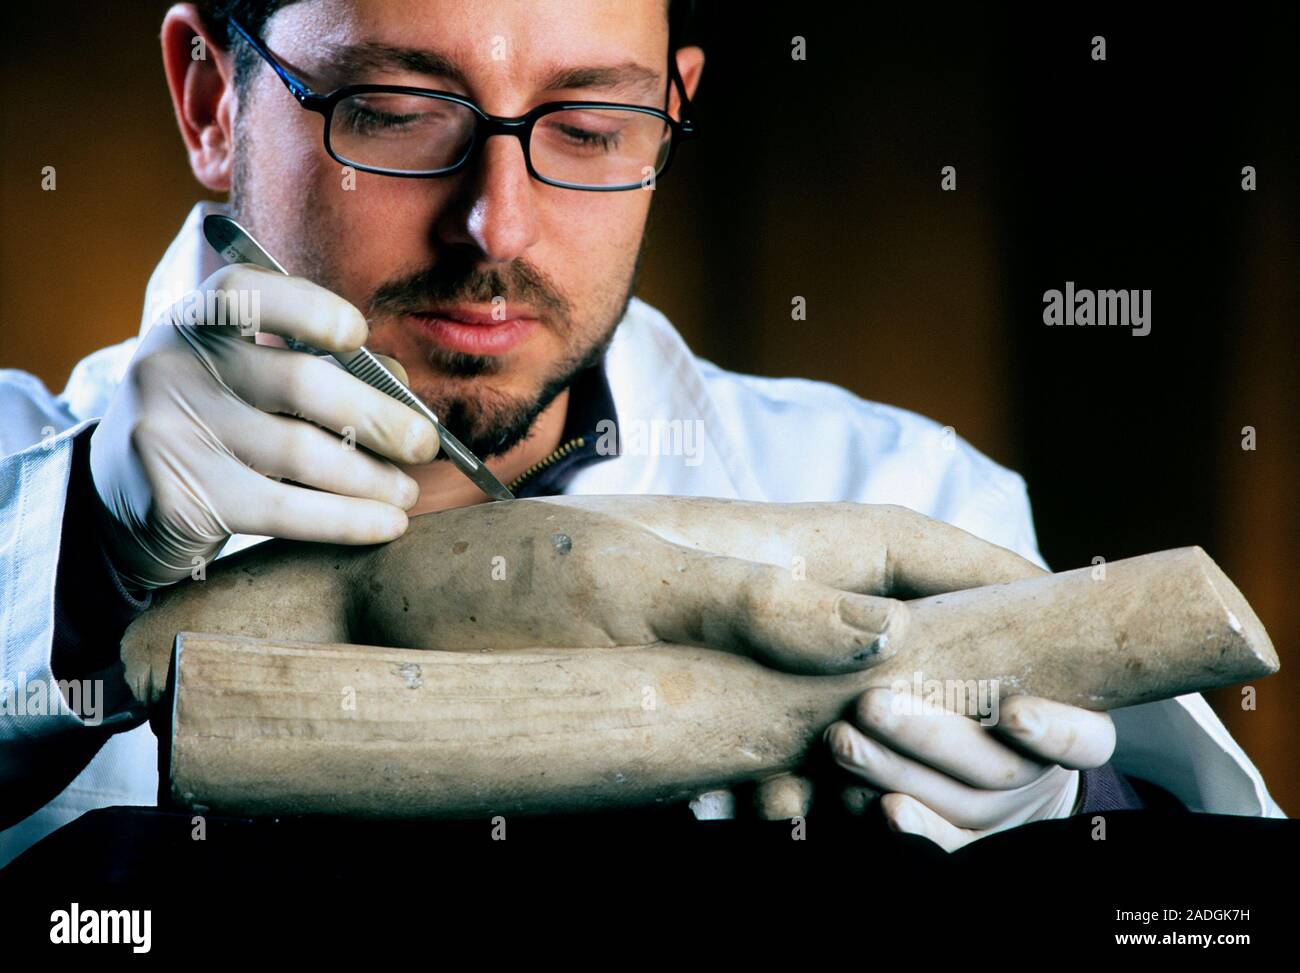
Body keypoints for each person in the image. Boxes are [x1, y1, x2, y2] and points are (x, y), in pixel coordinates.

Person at [0, 0, 1283, 868]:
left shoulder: (901, 488)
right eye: (394, 111)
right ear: (211, 97)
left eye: (590, 127)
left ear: (671, 115)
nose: (494, 229)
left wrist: (1065, 816)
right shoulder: (29, 491)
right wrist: (69, 574)